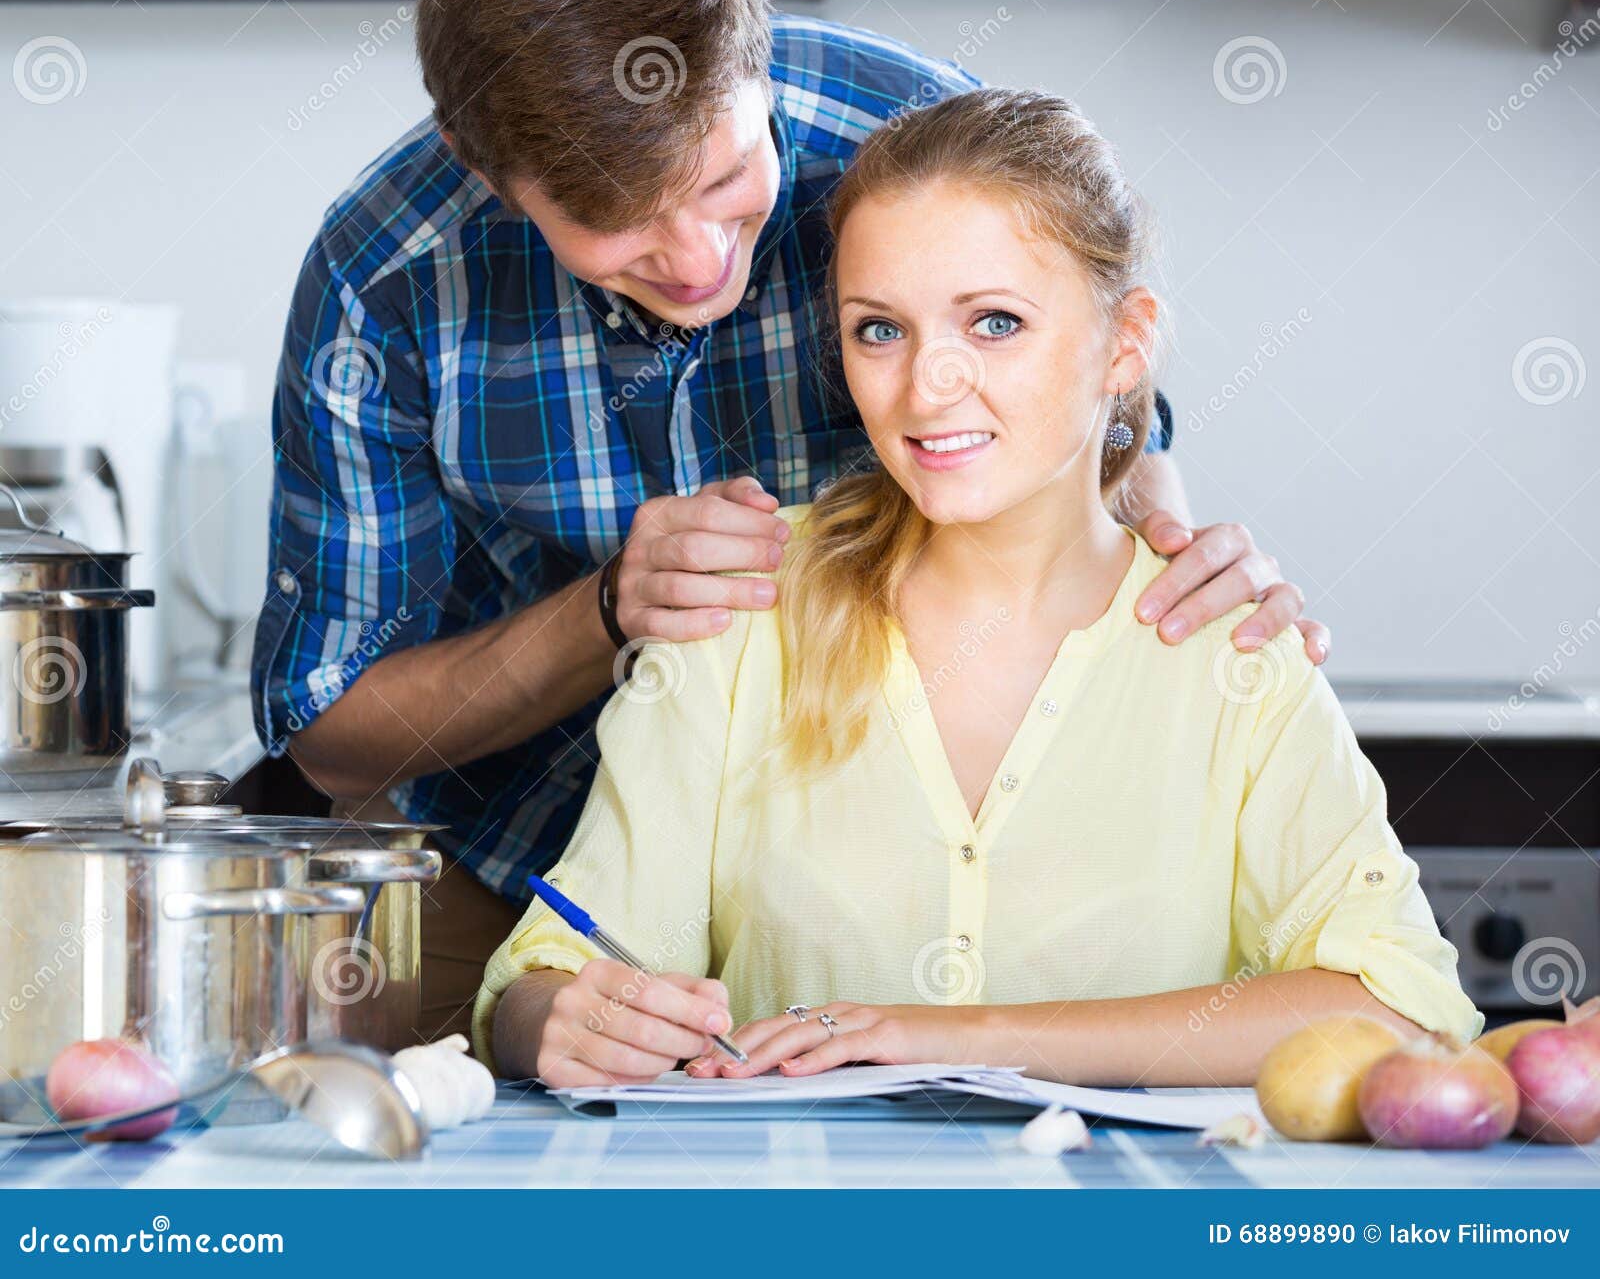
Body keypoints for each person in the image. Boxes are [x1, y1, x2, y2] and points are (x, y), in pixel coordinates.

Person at [252, 0, 1329, 1043]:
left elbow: (1099, 418)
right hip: (503, 863)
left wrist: (1173, 578)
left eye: (722, 179)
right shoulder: (386, 281)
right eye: (615, 225)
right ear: (487, 174)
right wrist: (606, 609)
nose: (698, 256)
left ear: (752, 66)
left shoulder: (911, 144)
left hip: (853, 885)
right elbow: (335, 734)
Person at [478, 88, 1479, 1089]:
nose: (926, 386)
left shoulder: (1229, 645)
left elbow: (1401, 1008)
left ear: (1124, 343)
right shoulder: (741, 608)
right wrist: (552, 1020)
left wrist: (948, 1035)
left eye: (994, 321)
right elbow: (543, 977)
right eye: (879, 331)